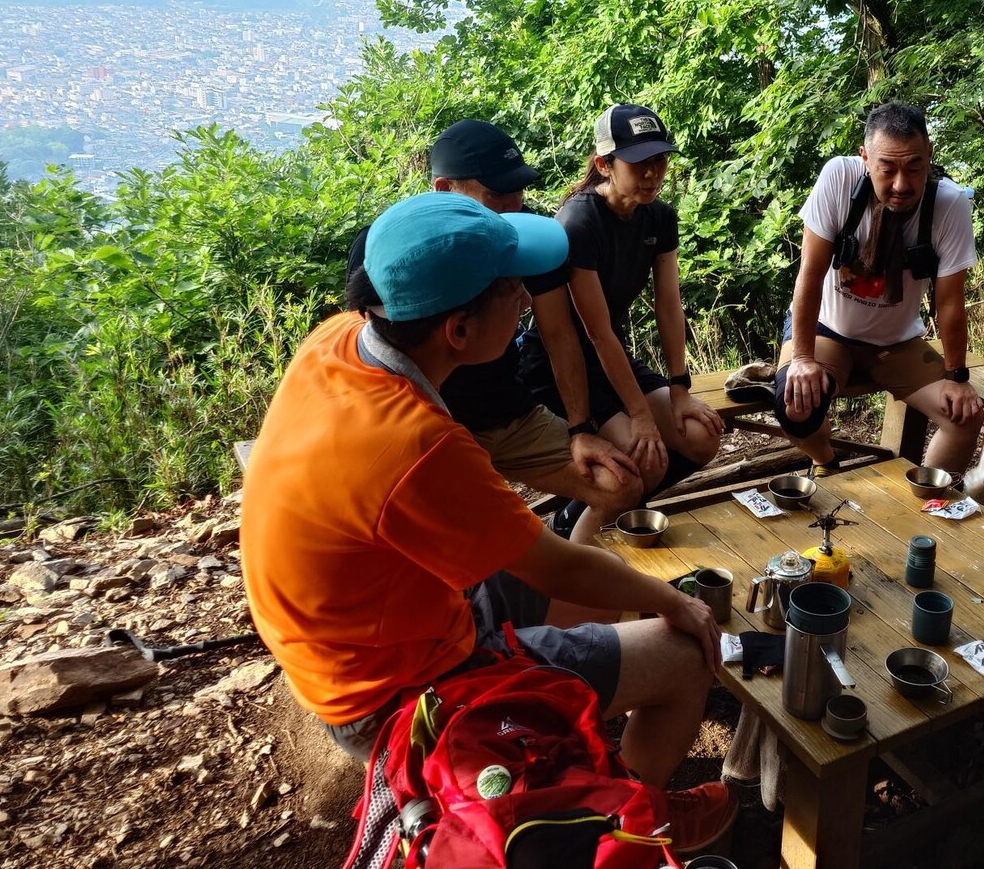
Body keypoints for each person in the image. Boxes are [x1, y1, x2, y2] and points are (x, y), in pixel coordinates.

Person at [244, 191, 736, 852]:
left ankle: (577, 761)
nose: (528, 300)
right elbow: (555, 562)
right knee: (683, 653)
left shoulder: (337, 341)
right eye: (512, 289)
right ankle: (610, 828)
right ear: (459, 330)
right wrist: (678, 603)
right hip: (393, 692)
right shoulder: (415, 445)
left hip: (341, 645)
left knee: (595, 582)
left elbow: (542, 558)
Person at [347, 119, 644, 552]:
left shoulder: (523, 235)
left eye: (518, 187)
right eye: (495, 193)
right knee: (479, 542)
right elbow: (375, 356)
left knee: (620, 484)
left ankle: (576, 576)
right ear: (444, 188)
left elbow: (559, 335)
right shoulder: (390, 250)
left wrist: (581, 427)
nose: (513, 203)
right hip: (426, 429)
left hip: (507, 415)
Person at [519, 104, 723, 501]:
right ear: (605, 164)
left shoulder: (659, 217)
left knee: (701, 438)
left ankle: (621, 503)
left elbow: (668, 304)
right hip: (563, 366)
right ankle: (583, 515)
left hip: (613, 356)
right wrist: (642, 416)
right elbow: (595, 333)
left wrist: (679, 387)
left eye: (660, 159)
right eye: (638, 162)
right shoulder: (579, 223)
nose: (652, 173)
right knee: (645, 460)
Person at [773, 101, 983, 477]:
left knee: (965, 417)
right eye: (887, 169)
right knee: (795, 405)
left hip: (896, 342)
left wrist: (957, 378)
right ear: (865, 158)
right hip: (828, 329)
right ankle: (826, 462)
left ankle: (922, 500)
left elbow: (950, 303)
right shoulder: (838, 179)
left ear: (930, 156)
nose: (901, 184)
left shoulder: (949, 204)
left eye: (914, 167)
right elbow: (810, 273)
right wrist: (803, 358)